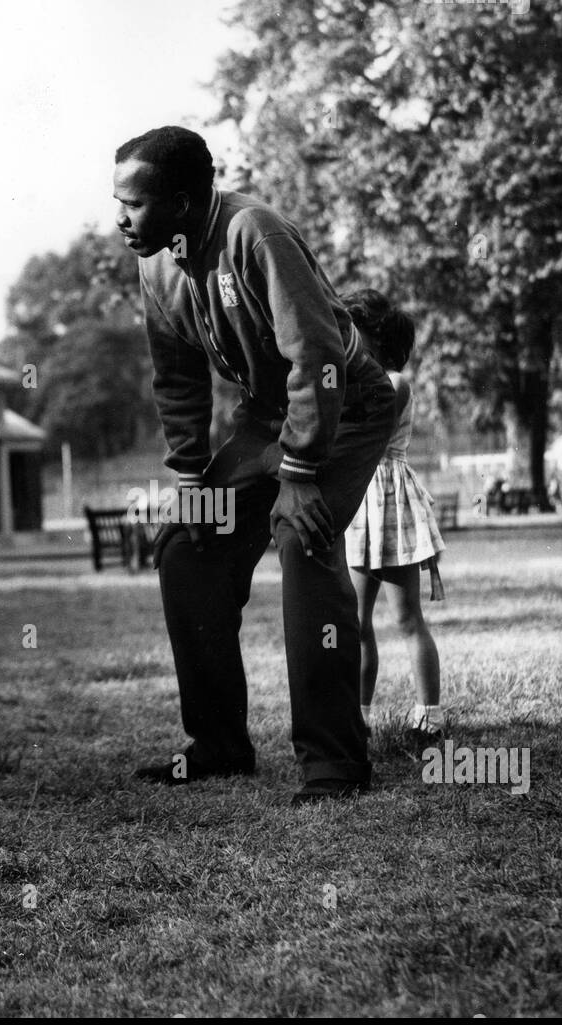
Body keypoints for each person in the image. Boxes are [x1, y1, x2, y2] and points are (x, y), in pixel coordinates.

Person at [113, 125, 397, 804]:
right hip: (266, 419)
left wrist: (299, 476)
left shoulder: (255, 232)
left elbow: (318, 357)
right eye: (115, 201)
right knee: (186, 547)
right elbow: (177, 379)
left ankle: (335, 761)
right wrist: (189, 480)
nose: (119, 217)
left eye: (134, 203)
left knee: (304, 539)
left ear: (185, 200)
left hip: (343, 406)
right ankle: (217, 746)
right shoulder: (154, 262)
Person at [339, 290, 445, 741]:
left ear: (375, 337)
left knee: (407, 618)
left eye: (351, 331)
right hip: (361, 501)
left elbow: (366, 424)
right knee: (355, 621)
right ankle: (357, 714)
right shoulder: (348, 379)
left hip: (390, 499)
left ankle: (429, 713)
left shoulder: (395, 382)